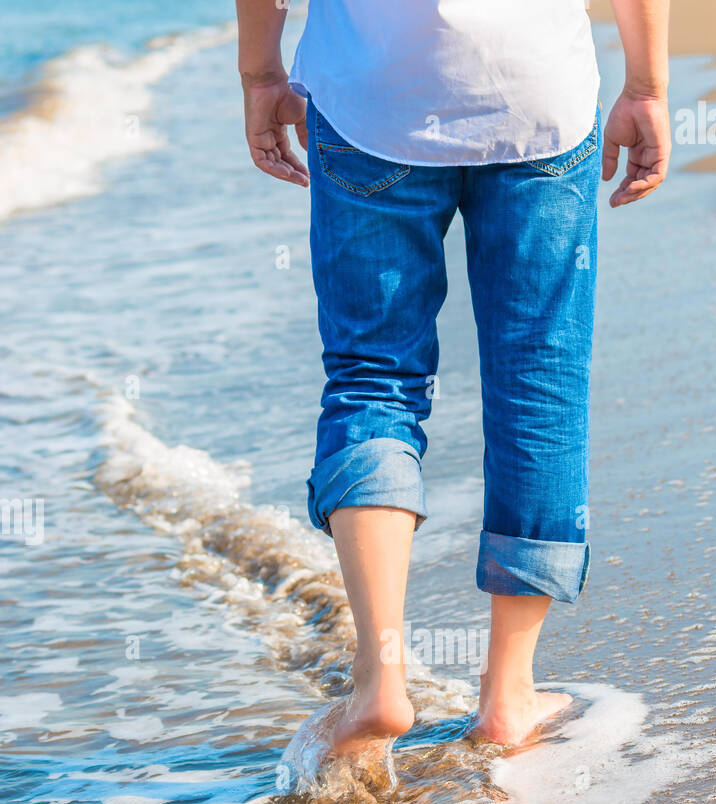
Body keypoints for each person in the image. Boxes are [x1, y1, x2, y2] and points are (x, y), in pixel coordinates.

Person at [236, 0, 670, 758]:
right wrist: (646, 87)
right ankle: (507, 697)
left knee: (374, 378)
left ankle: (380, 680)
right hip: (538, 98)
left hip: (373, 99)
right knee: (539, 377)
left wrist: (261, 72)